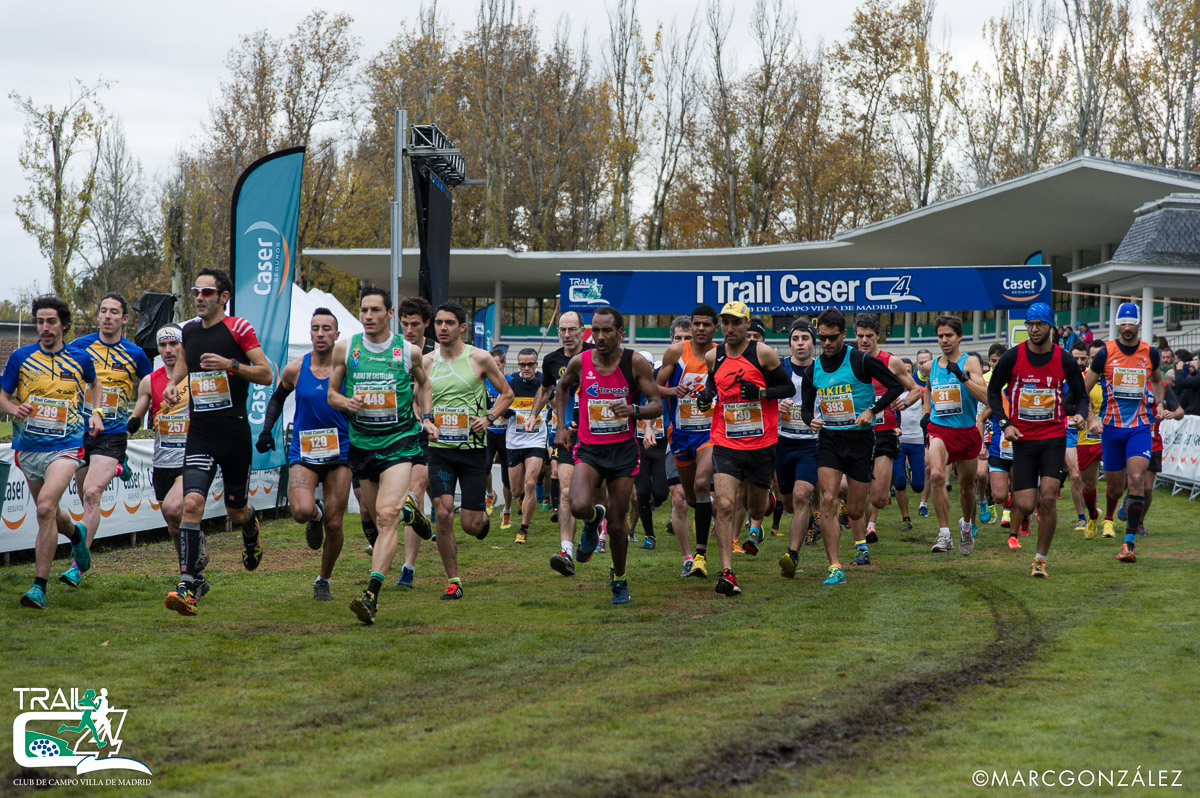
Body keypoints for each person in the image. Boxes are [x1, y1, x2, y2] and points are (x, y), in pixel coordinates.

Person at [162, 268, 274, 615]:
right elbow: (184, 360)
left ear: (223, 297)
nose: (199, 297)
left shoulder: (239, 328)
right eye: (196, 291)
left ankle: (250, 524)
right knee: (190, 504)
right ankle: (189, 583)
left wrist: (231, 365)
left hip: (235, 432)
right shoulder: (189, 330)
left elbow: (267, 373)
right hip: (201, 432)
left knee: (235, 509)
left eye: (207, 292)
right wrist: (173, 383)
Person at [330, 287, 433, 624]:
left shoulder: (408, 351)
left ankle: (371, 596)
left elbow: (424, 384)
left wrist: (427, 418)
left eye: (375, 310)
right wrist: (346, 403)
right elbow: (332, 393)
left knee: (386, 516)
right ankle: (410, 512)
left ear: (390, 314)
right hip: (362, 445)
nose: (368, 316)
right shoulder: (347, 349)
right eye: (363, 310)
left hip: (399, 442)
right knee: (378, 518)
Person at [553, 306, 662, 605]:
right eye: (595, 330)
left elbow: (657, 404)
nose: (600, 336)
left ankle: (619, 580)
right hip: (589, 449)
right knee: (576, 505)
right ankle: (591, 519)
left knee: (617, 521)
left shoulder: (635, 362)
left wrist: (635, 410)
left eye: (607, 331)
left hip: (624, 453)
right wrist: (561, 427)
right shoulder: (580, 361)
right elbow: (561, 389)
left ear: (620, 333)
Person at [1, 296, 101, 609]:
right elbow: (2, 397)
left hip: (67, 445)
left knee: (44, 507)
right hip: (29, 447)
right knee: (53, 514)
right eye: (40, 321)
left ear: (64, 325)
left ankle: (38, 586)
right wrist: (16, 409)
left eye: (51, 322)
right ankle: (76, 534)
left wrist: (95, 411)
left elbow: (94, 385)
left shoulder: (80, 358)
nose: (44, 328)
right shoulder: (21, 357)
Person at [800, 307, 903, 585]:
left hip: (860, 440)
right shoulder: (813, 370)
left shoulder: (860, 360)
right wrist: (811, 421)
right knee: (829, 500)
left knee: (856, 510)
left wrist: (872, 409)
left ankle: (853, 521)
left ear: (844, 335)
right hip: (830, 440)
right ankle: (835, 566)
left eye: (832, 338)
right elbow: (806, 409)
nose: (827, 344)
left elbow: (895, 386)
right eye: (822, 338)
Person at [987, 302, 1089, 577]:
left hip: (1053, 437)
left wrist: (1080, 415)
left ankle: (1040, 559)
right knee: (1025, 504)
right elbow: (993, 393)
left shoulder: (1064, 358)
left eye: (1039, 325)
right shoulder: (1012, 356)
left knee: (1048, 498)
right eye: (1030, 325)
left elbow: (1081, 396)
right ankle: (1020, 519)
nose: (1033, 330)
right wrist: (1005, 423)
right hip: (1022, 439)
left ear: (1050, 327)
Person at [256, 308, 351, 600]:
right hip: (305, 450)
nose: (320, 334)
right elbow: (277, 398)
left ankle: (323, 579)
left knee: (335, 524)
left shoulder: (348, 368)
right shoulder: (295, 368)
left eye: (326, 328)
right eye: (315, 328)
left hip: (341, 452)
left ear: (336, 334)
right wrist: (266, 430)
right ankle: (315, 513)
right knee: (300, 511)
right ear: (310, 333)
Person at [62, 293, 153, 588]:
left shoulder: (135, 354)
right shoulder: (80, 346)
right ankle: (118, 467)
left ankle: (78, 563)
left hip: (112, 434)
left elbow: (150, 386)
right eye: (103, 311)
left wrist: (138, 414)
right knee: (81, 494)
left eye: (114, 312)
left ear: (124, 319)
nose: (107, 316)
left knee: (91, 494)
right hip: (80, 432)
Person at [424, 302, 513, 598]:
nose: (443, 328)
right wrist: (425, 421)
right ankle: (454, 580)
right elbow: (414, 399)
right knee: (443, 512)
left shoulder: (480, 358)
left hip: (474, 451)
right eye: (438, 323)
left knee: (470, 525)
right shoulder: (426, 362)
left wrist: (488, 418)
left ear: (462, 327)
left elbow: (507, 394)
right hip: (440, 450)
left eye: (449, 323)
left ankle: (482, 520)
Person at [1084, 302, 1164, 563]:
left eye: (1132, 323)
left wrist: (1159, 402)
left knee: (1138, 476)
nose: (1128, 328)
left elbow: (1157, 380)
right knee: (1116, 488)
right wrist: (1091, 417)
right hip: (1111, 428)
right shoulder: (1105, 353)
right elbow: (1083, 389)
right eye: (1123, 323)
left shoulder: (1149, 353)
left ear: (1139, 323)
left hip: (1140, 426)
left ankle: (1128, 543)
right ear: (1117, 324)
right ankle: (1110, 511)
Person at [528, 311, 593, 577]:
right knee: (566, 492)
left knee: (595, 497)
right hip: (565, 436)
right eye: (562, 330)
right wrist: (533, 414)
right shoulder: (551, 360)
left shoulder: (594, 355)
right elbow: (545, 389)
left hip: (595, 436)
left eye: (572, 330)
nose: (567, 335)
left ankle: (593, 527)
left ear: (582, 330)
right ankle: (566, 551)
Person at [656, 304, 719, 578]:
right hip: (680, 435)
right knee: (687, 498)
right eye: (697, 324)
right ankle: (688, 556)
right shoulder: (676, 353)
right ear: (691, 326)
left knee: (702, 485)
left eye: (707, 324)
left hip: (711, 433)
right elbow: (653, 388)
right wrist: (672, 390)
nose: (701, 329)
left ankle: (699, 555)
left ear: (715, 327)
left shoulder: (721, 354)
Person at [127, 325, 190, 586]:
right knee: (173, 526)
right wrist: (125, 428)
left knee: (174, 508)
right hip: (162, 461)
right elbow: (137, 415)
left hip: (190, 459)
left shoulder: (193, 378)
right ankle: (189, 568)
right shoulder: (149, 381)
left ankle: (191, 570)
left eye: (173, 344)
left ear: (183, 347)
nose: (168, 350)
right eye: (163, 345)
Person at [925, 315, 989, 557]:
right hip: (939, 429)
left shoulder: (969, 362)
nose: (944, 340)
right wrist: (926, 412)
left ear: (959, 337)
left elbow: (984, 397)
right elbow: (930, 389)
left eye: (949, 335)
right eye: (940, 336)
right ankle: (944, 533)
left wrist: (962, 377)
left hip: (965, 432)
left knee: (965, 489)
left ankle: (965, 526)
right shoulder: (932, 366)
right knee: (937, 475)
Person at [853, 313, 920, 543]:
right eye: (860, 336)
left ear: (878, 336)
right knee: (854, 490)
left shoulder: (891, 361)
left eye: (869, 336)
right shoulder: (850, 361)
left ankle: (869, 521)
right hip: (857, 432)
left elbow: (915, 390)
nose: (864, 340)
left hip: (884, 432)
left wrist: (905, 401)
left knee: (880, 496)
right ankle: (864, 533)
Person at [392, 295, 440, 589]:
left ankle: (408, 568)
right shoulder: (392, 351)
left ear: (427, 324)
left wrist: (427, 416)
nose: (409, 330)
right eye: (404, 324)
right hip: (394, 431)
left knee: (415, 492)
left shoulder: (438, 351)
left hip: (427, 431)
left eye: (414, 325)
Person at [776, 320, 819, 579]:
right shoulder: (779, 368)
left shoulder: (822, 369)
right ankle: (806, 518)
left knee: (802, 495)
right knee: (789, 503)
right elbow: (766, 395)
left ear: (813, 343)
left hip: (811, 444)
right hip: (783, 442)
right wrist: (776, 405)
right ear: (790, 343)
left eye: (805, 338)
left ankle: (792, 554)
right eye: (796, 338)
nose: (800, 343)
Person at [505, 348, 547, 544]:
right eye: (523, 364)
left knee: (530, 483)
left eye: (530, 364)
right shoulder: (511, 384)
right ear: (518, 365)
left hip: (536, 440)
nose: (526, 368)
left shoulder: (544, 385)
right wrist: (509, 413)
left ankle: (523, 529)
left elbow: (558, 405)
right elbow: (500, 409)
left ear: (536, 364)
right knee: (516, 491)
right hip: (514, 442)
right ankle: (520, 499)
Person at [633, 350, 669, 550]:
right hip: (639, 445)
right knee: (642, 492)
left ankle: (656, 500)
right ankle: (649, 536)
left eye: (647, 364)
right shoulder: (631, 389)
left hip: (661, 444)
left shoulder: (660, 387)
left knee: (661, 493)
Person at [1076, 340, 1106, 538]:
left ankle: (1110, 519)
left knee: (1121, 481)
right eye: (1092, 357)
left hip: (1111, 437)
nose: (1095, 360)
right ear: (1088, 359)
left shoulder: (1114, 379)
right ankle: (1093, 515)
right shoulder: (1081, 379)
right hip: (1087, 439)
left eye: (1099, 356)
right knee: (1087, 485)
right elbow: (1071, 402)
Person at [893, 358, 925, 533]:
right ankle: (906, 518)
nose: (903, 375)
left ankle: (911, 472)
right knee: (898, 482)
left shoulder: (919, 391)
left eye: (907, 371)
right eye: (901, 372)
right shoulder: (892, 391)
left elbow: (929, 407)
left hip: (917, 440)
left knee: (918, 486)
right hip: (898, 441)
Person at [484, 347, 512, 523]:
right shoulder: (484, 381)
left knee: (507, 477)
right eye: (491, 366)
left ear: (503, 364)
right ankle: (489, 494)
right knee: (484, 466)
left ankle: (507, 509)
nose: (494, 369)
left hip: (507, 435)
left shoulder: (511, 382)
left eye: (497, 365)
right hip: (490, 432)